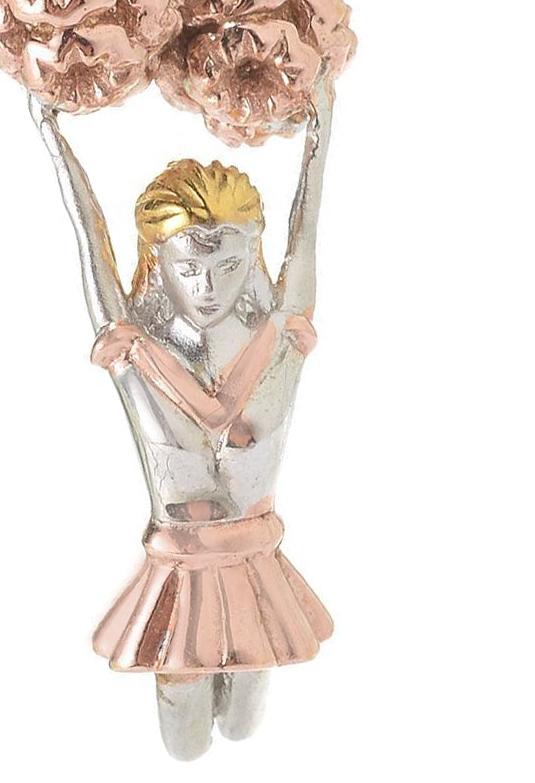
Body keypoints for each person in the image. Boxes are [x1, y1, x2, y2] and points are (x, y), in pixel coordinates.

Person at [30, 72, 336, 759]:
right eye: (187, 268)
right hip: (178, 568)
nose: (206, 287)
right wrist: (53, 140)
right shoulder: (136, 352)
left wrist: (323, 129)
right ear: (157, 263)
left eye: (227, 266)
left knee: (245, 725)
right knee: (185, 740)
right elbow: (91, 242)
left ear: (252, 257)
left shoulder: (281, 339)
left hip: (256, 563)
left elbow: (307, 231)